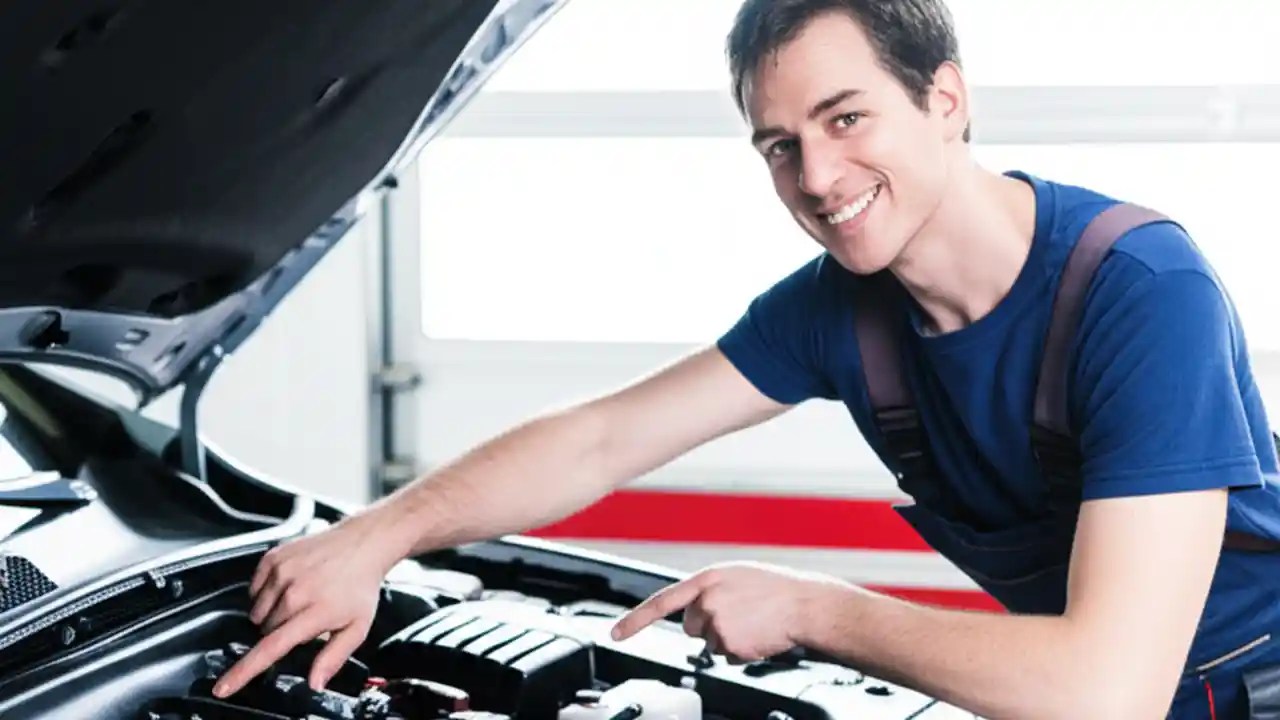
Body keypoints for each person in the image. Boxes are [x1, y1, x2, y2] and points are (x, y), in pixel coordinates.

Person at [213, 1, 1280, 717]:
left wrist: (814, 611)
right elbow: (600, 437)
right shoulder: (838, 310)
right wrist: (375, 537)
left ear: (944, 102)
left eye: (845, 117)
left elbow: (1104, 688)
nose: (815, 176)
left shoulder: (1139, 291)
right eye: (779, 145)